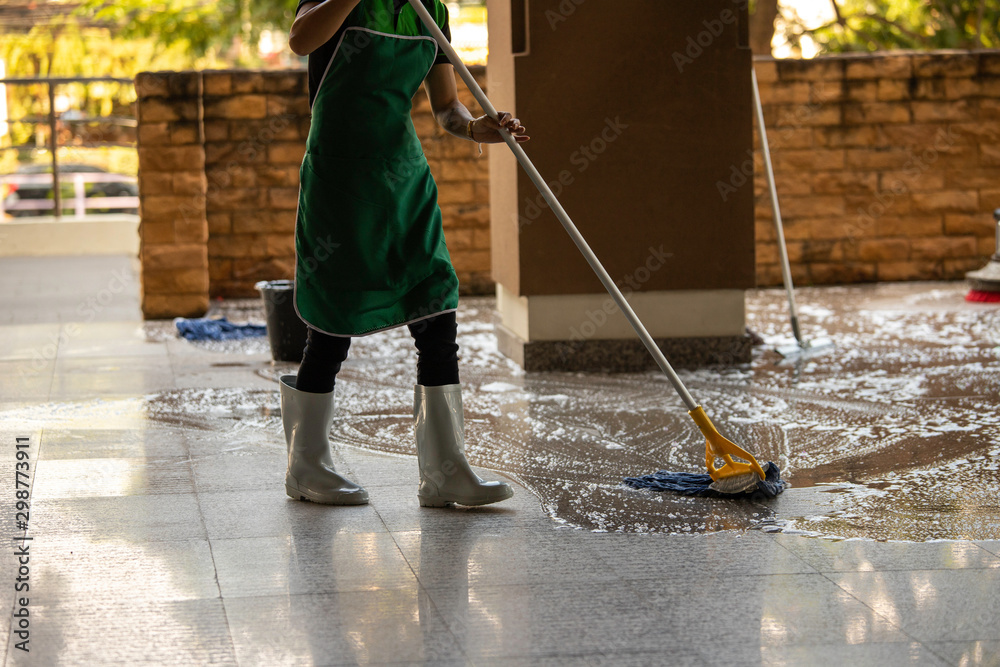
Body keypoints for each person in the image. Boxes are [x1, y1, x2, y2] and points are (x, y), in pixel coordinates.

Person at [281, 0, 528, 507]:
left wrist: (478, 127)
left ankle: (445, 473)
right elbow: (302, 39)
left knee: (436, 307)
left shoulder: (430, 9)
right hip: (341, 177)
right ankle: (306, 466)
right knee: (333, 318)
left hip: (404, 176)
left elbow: (446, 109)